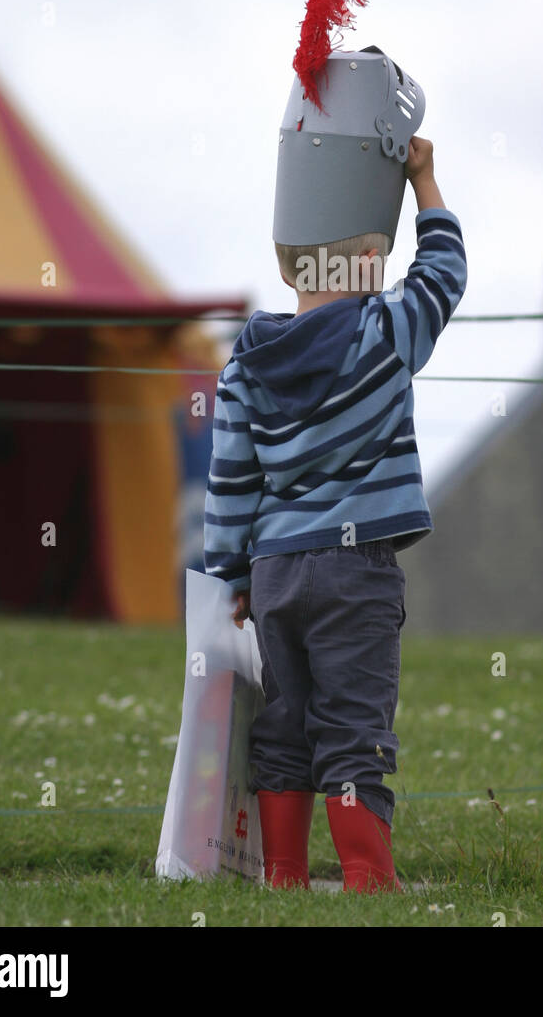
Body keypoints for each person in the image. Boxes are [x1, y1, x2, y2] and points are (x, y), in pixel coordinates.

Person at [204, 134, 467, 891]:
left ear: (289, 260)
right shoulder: (385, 333)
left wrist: (230, 580)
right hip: (357, 575)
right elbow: (445, 273)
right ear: (372, 259)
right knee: (353, 726)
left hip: (275, 571)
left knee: (281, 725)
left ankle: (283, 874)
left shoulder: (246, 364)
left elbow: (231, 484)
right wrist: (424, 180)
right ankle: (365, 873)